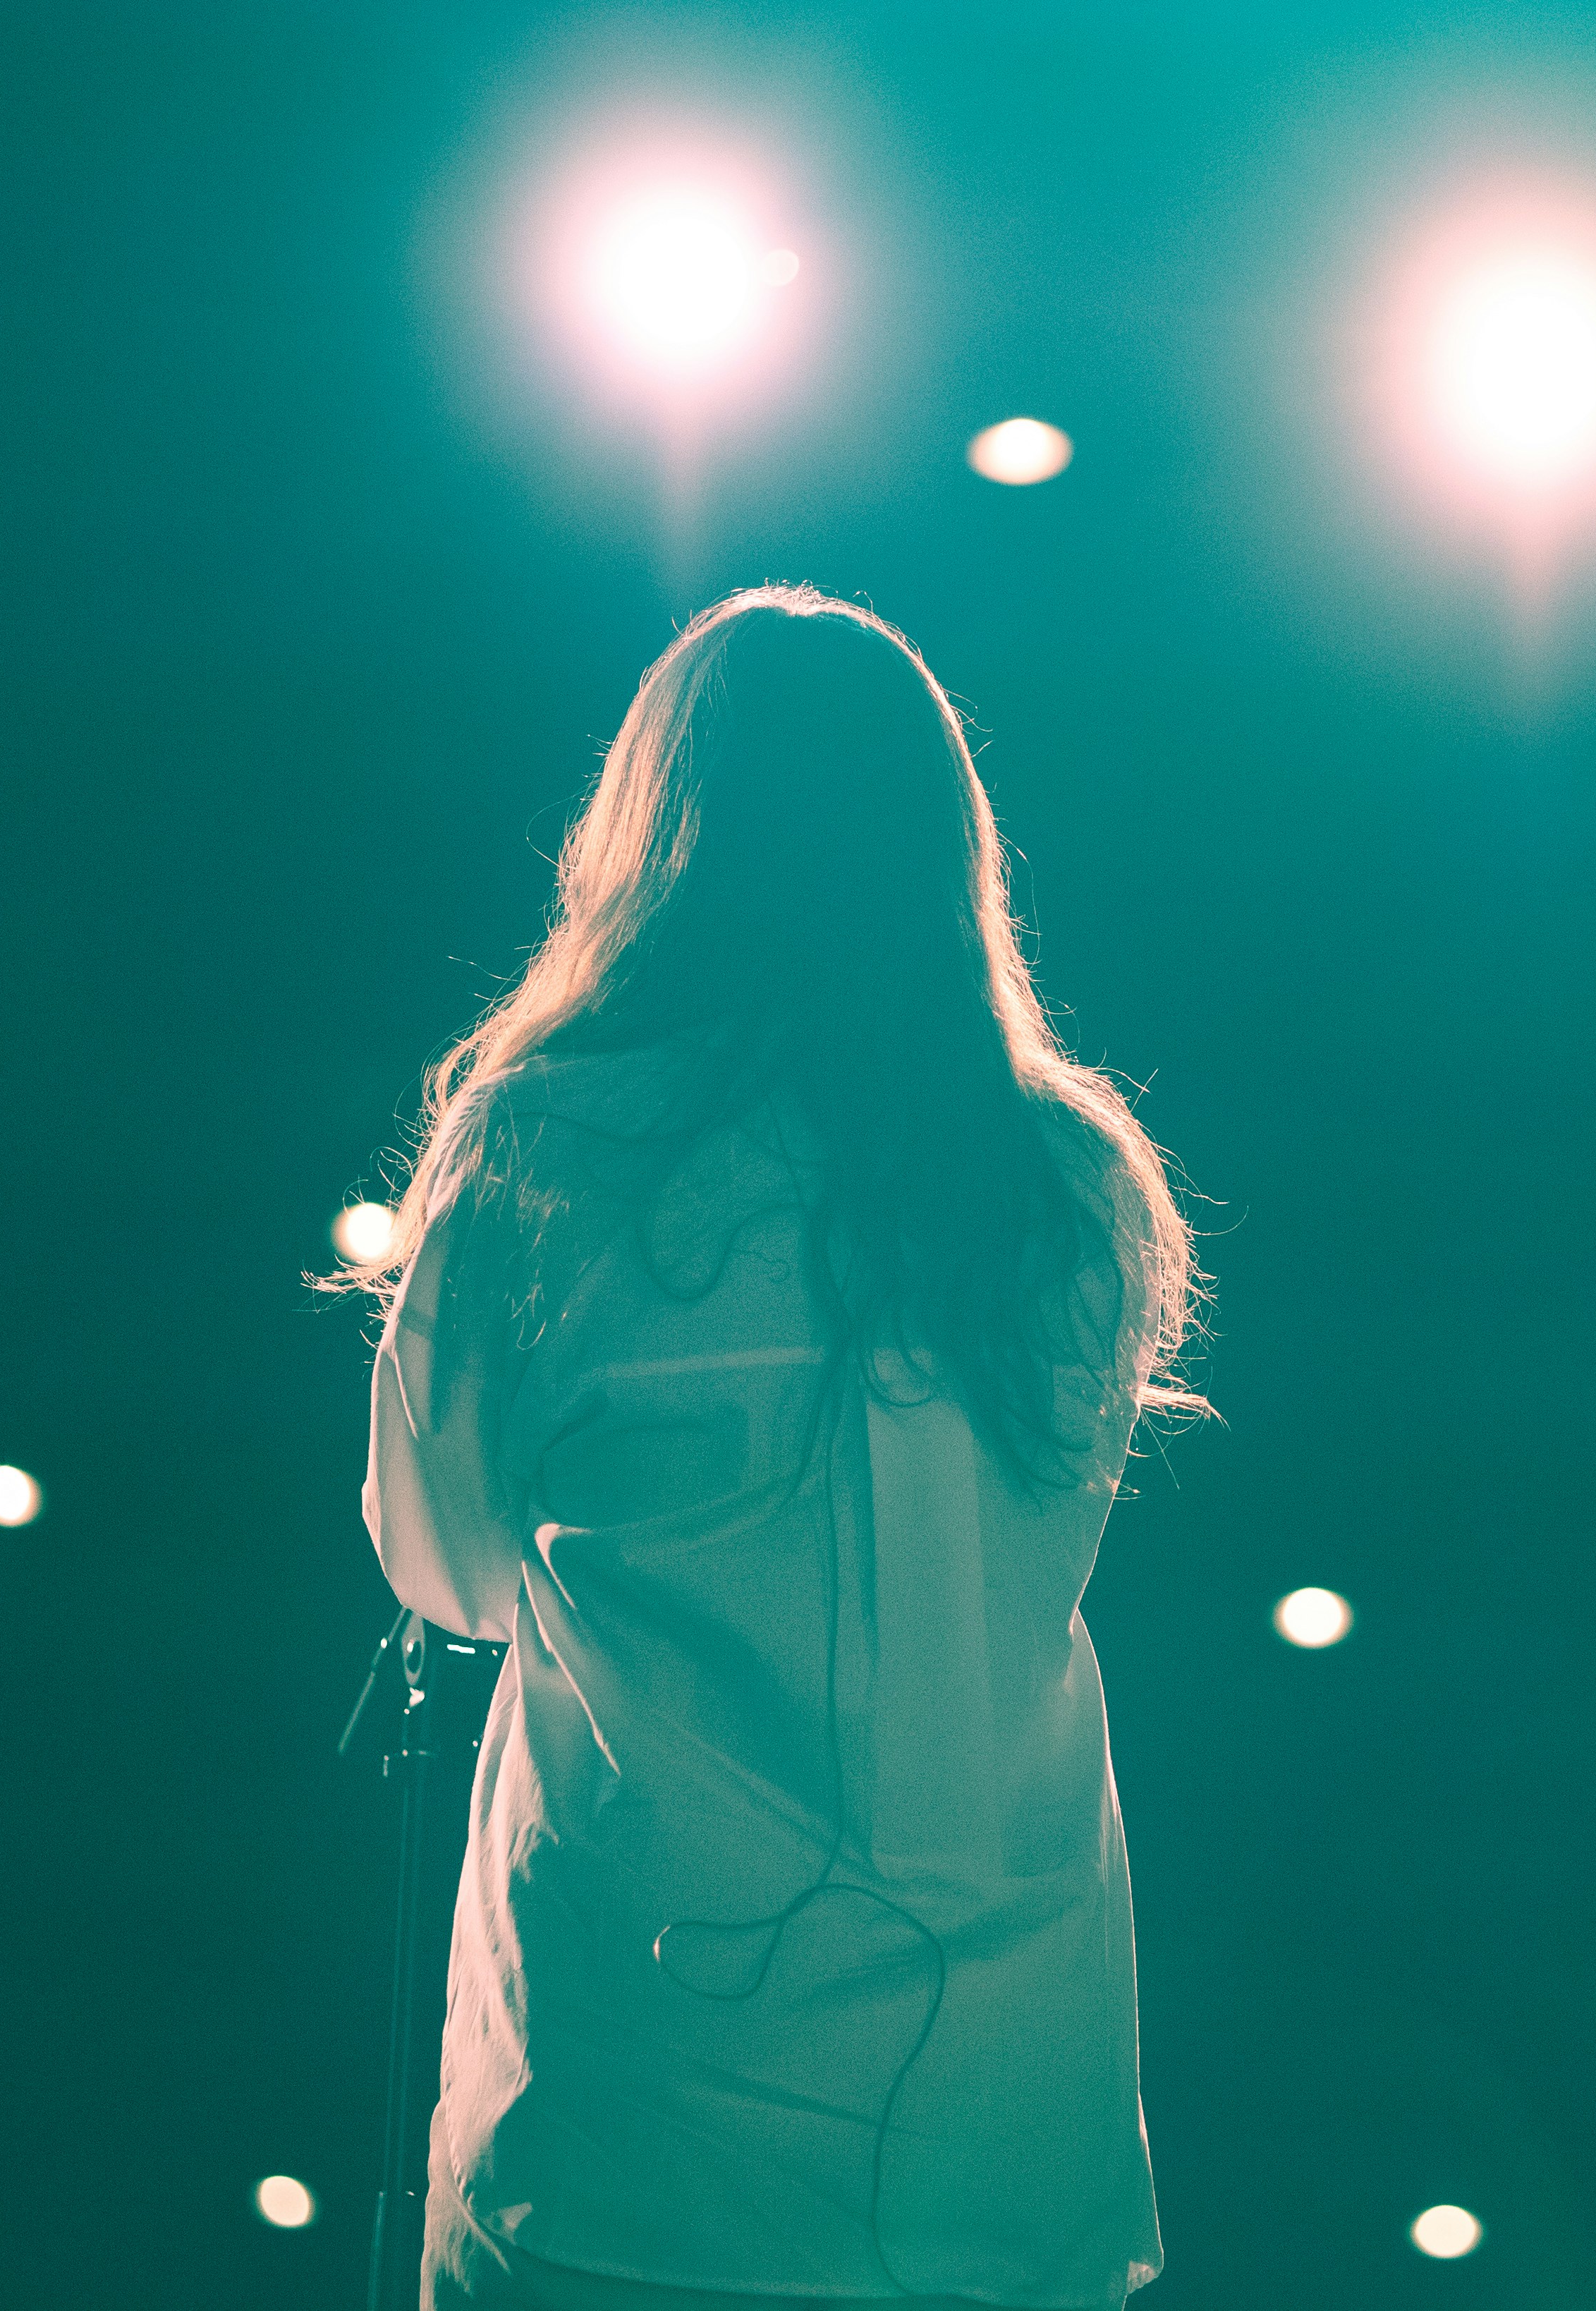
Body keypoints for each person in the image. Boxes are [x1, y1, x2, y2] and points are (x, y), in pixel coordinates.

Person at [351, 587, 1203, 2311]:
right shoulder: (1074, 1186)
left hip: (637, 2106)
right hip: (999, 2120)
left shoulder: (548, 1144)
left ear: (654, 828)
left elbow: (442, 1571)